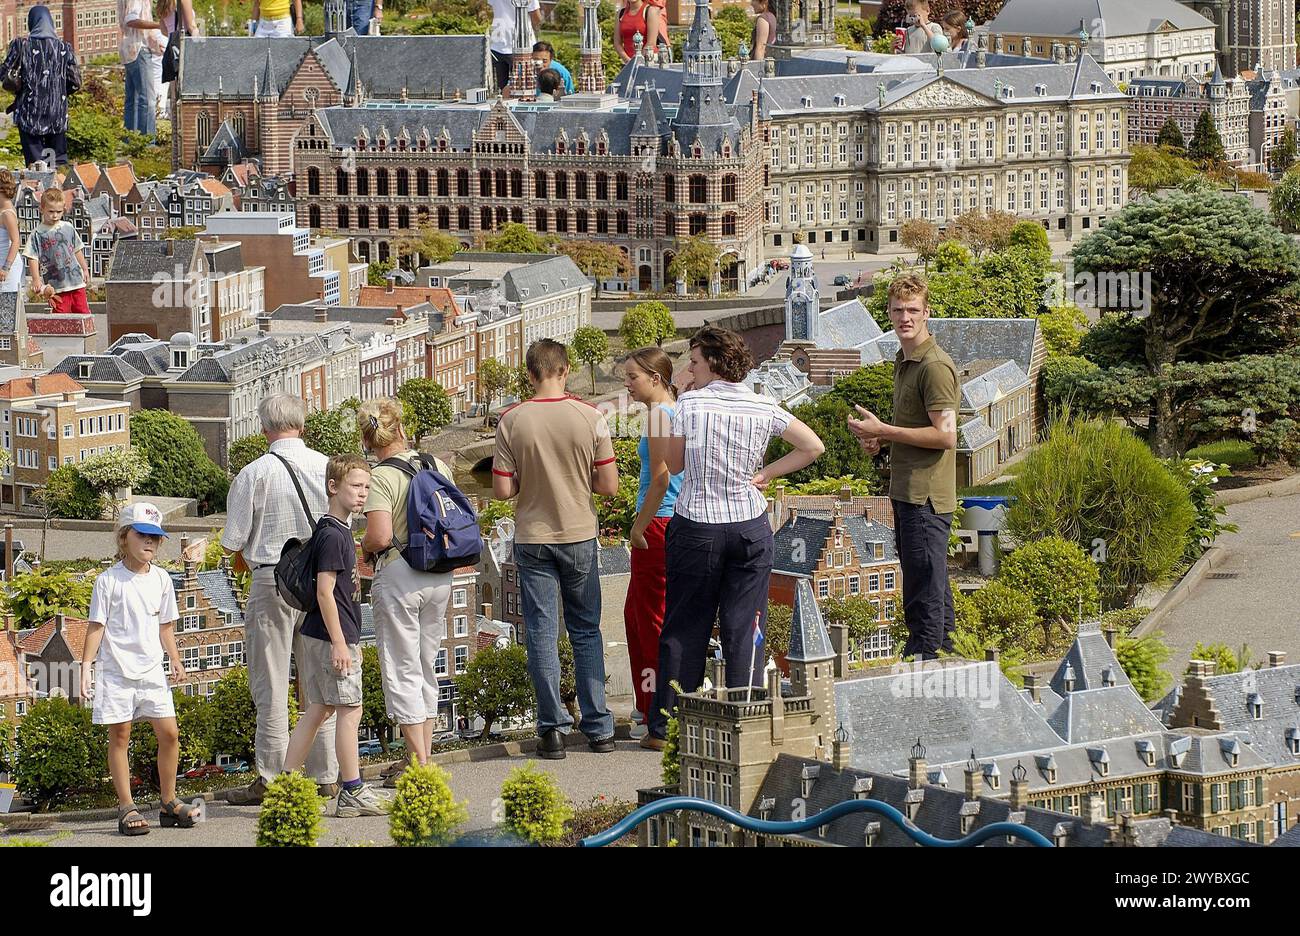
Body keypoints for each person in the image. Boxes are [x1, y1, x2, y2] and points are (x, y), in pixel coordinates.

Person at [643, 327, 825, 749]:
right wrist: (766, 474)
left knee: (685, 626)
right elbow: (812, 446)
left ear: (712, 362)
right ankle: (745, 718)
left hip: (697, 525)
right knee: (745, 627)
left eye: (693, 362)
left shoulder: (687, 404)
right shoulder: (764, 406)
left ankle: (670, 726)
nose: (688, 369)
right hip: (749, 526)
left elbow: (674, 463)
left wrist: (684, 403)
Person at [493, 339, 619, 759]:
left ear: (530, 374)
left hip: (533, 537)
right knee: (586, 631)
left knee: (542, 634)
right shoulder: (591, 416)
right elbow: (608, 486)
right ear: (566, 371)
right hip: (579, 534)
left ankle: (552, 731)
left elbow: (501, 489)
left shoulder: (511, 421)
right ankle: (599, 728)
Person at [222, 394, 338, 805]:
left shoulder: (253, 474)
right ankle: (327, 776)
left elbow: (232, 540)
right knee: (319, 683)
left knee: (270, 684)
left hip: (271, 579)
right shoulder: (327, 467)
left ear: (263, 430)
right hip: (321, 582)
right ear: (303, 426)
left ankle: (271, 777)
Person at [847, 274, 958, 659]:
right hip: (909, 493)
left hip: (926, 498)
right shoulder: (904, 361)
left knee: (923, 594)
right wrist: (878, 439)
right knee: (931, 587)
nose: (905, 317)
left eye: (913, 310)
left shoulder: (934, 367)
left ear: (927, 313)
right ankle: (943, 659)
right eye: (898, 310)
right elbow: (915, 429)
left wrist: (885, 429)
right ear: (889, 313)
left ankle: (923, 667)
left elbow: (946, 436)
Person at [280, 454, 389, 817]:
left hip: (319, 633)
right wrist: (341, 642)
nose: (363, 495)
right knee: (350, 708)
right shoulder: (333, 535)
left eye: (367, 488)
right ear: (333, 487)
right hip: (332, 637)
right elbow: (325, 591)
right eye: (356, 486)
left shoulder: (334, 529)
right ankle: (352, 789)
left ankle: (286, 785)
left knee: (319, 708)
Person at [81, 503, 198, 836]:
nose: (150, 542)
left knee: (169, 733)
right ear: (124, 537)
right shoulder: (108, 581)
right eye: (142, 535)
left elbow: (165, 628)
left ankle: (169, 802)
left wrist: (174, 658)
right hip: (116, 672)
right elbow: (96, 627)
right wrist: (86, 667)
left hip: (150, 672)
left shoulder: (161, 579)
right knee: (120, 736)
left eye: (156, 538)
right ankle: (126, 806)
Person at [358, 398, 456, 783]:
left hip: (400, 575)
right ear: (400, 429)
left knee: (400, 668)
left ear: (368, 440)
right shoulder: (437, 464)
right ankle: (421, 756)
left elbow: (380, 535)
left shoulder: (380, 476)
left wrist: (362, 547)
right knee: (426, 664)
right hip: (440, 573)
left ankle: (421, 764)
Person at [621, 348, 684, 727]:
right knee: (637, 615)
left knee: (649, 619)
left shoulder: (660, 416)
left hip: (657, 523)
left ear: (655, 379)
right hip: (669, 521)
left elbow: (660, 479)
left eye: (632, 377)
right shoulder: (673, 410)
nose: (627, 385)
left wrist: (637, 526)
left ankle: (657, 707)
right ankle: (652, 701)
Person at [2, 6, 80, 167]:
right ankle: (56, 189)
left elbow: (4, 73)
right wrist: (57, 94)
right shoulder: (64, 48)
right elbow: (75, 82)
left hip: (30, 113)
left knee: (36, 166)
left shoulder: (21, 45)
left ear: (31, 22)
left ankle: (38, 190)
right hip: (57, 115)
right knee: (56, 163)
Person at [23, 188, 90, 315]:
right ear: (41, 209)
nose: (55, 215)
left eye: (59, 212)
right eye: (51, 211)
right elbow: (32, 257)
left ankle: (85, 335)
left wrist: (85, 269)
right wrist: (36, 279)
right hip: (56, 286)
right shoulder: (37, 233)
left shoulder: (68, 227)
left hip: (76, 281)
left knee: (83, 313)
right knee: (61, 316)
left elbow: (77, 249)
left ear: (64, 209)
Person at [118, 0, 166, 138]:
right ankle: (147, 143)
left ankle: (130, 140)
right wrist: (159, 25)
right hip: (139, 51)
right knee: (148, 100)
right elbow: (131, 20)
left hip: (128, 50)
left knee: (132, 100)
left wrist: (156, 45)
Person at [490, 0, 541, 93]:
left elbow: (489, 11)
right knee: (524, 86)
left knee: (502, 89)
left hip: (497, 39)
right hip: (522, 41)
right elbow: (536, 17)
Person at [0, 170, 22, 303]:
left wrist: (6, 268)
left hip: (7, 267)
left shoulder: (7, 213)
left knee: (7, 306)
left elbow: (15, 241)